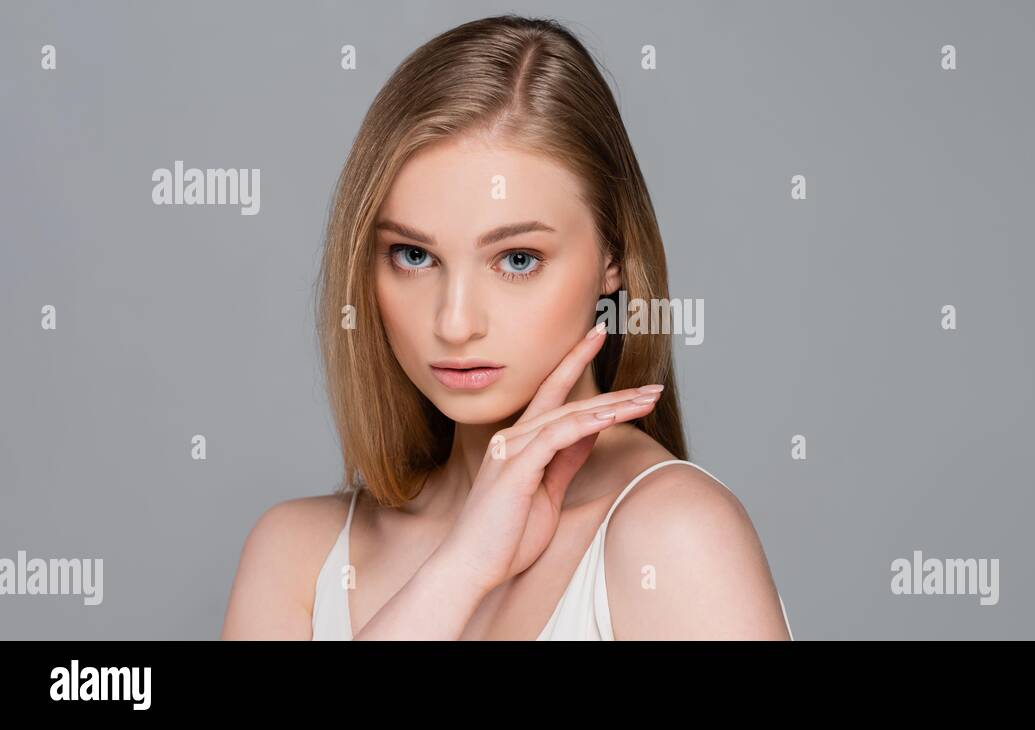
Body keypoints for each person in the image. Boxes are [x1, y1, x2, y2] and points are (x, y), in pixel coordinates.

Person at [220, 14, 792, 640]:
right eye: (414, 256)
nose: (456, 322)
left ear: (613, 262)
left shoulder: (674, 538)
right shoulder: (296, 554)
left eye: (517, 260)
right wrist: (463, 567)